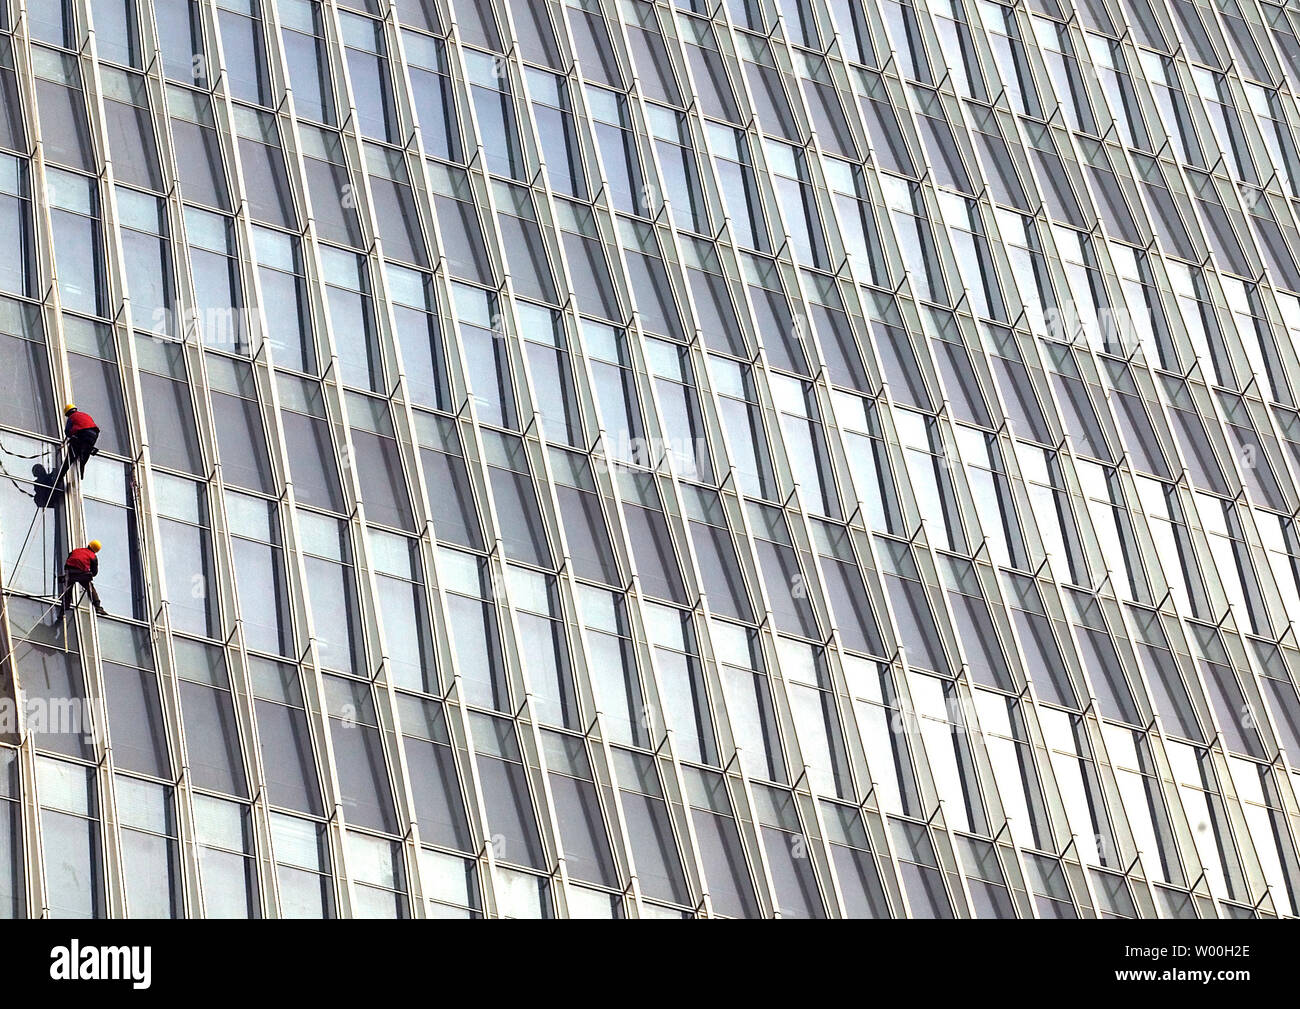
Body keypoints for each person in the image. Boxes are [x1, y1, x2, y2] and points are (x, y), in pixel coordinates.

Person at [60, 540, 108, 617]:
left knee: (68, 590)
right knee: (90, 588)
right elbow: (94, 572)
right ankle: (98, 607)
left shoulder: (76, 550)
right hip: (82, 573)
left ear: (89, 545)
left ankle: (64, 609)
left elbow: (68, 559)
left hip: (69, 571)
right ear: (96, 551)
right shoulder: (93, 556)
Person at [63, 404, 100, 476]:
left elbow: (67, 431)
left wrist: (70, 437)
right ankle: (82, 466)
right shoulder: (85, 415)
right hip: (94, 435)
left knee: (71, 454)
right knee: (85, 451)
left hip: (83, 433)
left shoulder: (72, 417)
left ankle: (61, 475)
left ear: (68, 413)